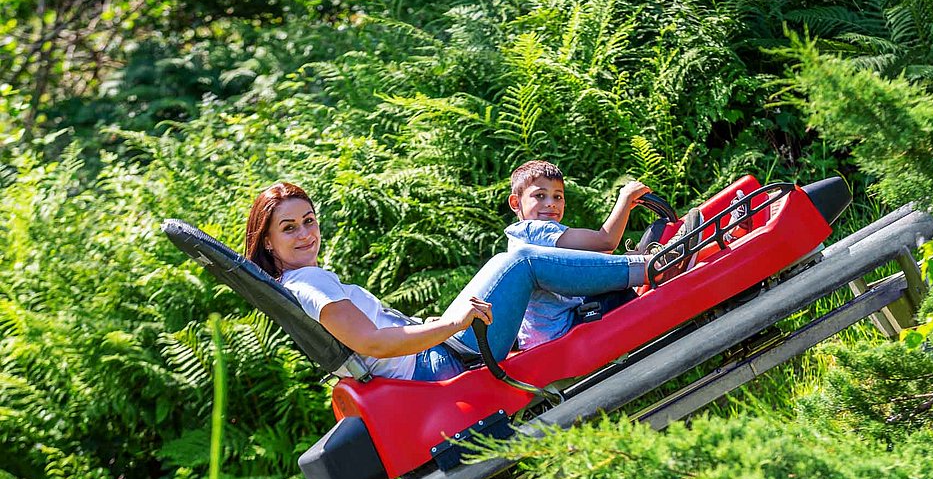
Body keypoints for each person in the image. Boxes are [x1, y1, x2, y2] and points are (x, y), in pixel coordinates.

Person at [244, 182, 664, 383]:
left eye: (309, 221)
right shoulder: (310, 283)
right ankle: (649, 267)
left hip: (435, 353)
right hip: (438, 363)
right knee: (519, 261)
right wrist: (453, 324)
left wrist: (434, 326)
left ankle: (616, 279)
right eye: (289, 228)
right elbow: (373, 343)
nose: (305, 234)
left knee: (513, 262)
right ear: (267, 240)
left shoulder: (300, 282)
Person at [505, 160, 652, 350]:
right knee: (618, 293)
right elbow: (605, 241)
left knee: (608, 283)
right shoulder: (535, 230)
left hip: (540, 336)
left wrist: (625, 212)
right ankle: (663, 276)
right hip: (559, 331)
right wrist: (625, 197)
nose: (550, 203)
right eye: (540, 195)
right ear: (515, 203)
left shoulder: (522, 238)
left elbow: (597, 255)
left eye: (557, 197)